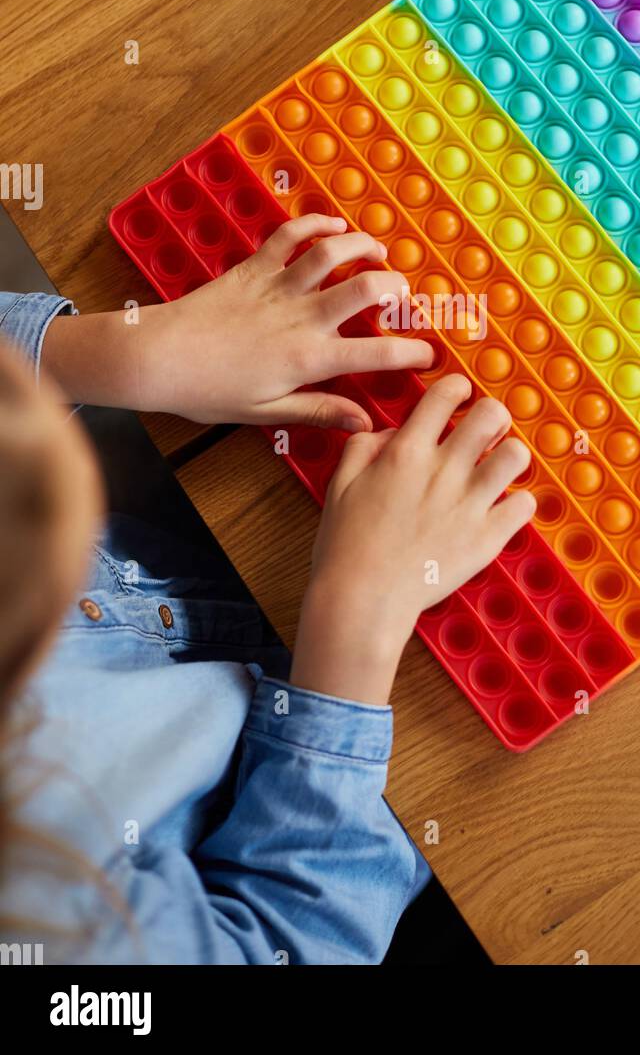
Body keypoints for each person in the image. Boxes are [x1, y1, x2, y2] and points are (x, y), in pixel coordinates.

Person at [0, 215, 533, 964]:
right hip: (373, 753)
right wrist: (355, 625)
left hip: (193, 527)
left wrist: (116, 355)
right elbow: (288, 942)